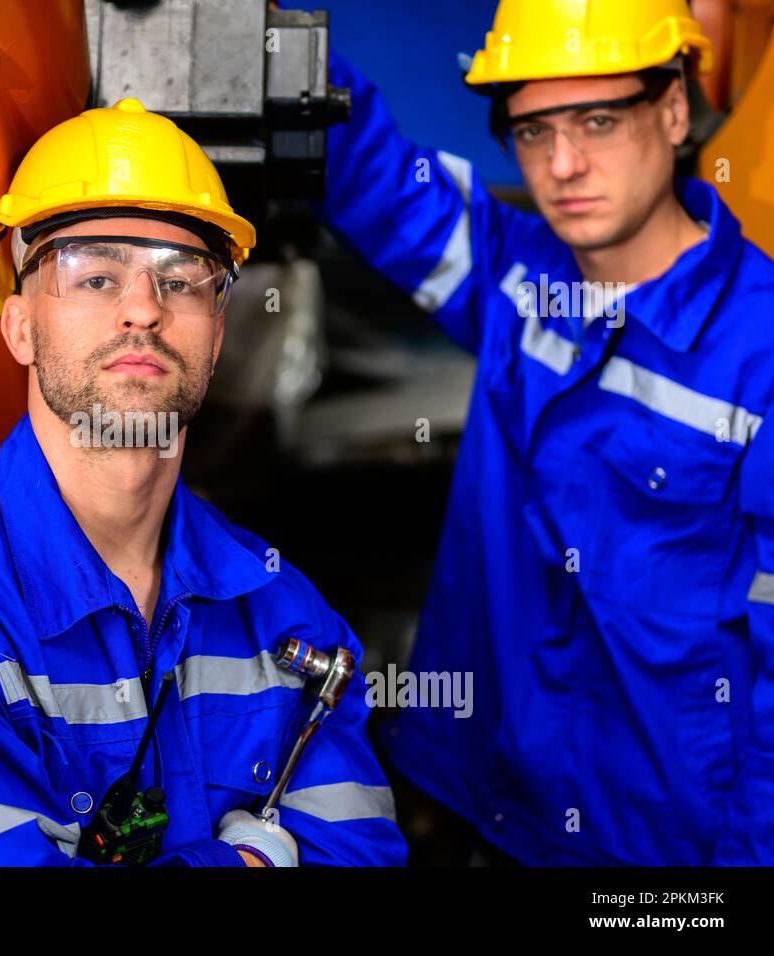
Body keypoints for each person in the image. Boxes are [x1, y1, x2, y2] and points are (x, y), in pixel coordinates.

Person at [0, 97, 407, 867]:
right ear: (20, 326)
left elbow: (363, 858)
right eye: (94, 276)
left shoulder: (286, 613)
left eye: (183, 280)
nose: (142, 310)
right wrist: (256, 862)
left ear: (219, 333)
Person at [300, 0, 774, 863]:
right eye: (532, 131)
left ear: (674, 108)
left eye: (598, 120)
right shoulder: (518, 281)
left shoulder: (761, 355)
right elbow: (377, 179)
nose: (562, 164)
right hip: (482, 798)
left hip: (656, 851)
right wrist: (273, 44)